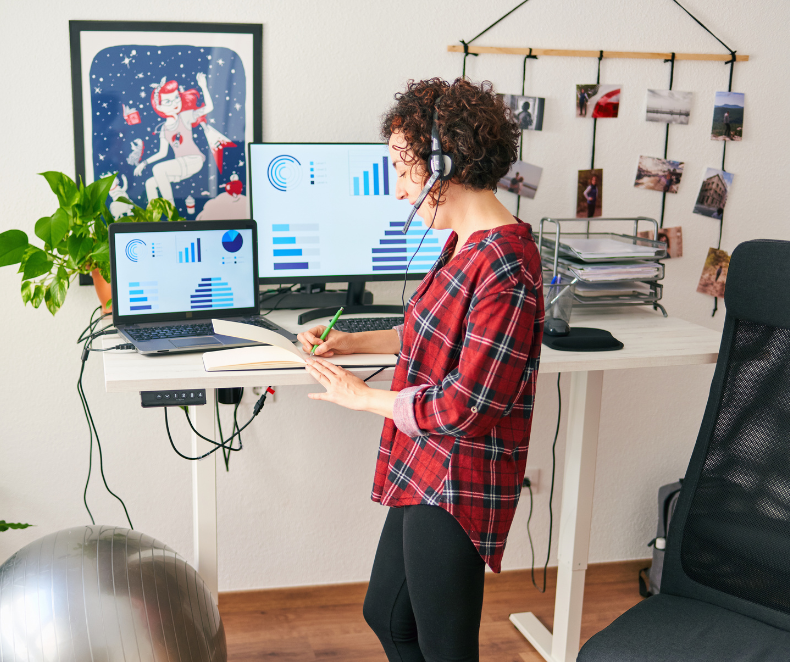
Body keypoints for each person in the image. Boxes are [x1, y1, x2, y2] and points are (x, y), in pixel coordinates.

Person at [296, 77, 544, 662]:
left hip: (460, 474)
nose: (400, 190)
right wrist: (351, 343)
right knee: (386, 614)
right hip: (425, 461)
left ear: (447, 163)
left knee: (442, 646)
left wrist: (363, 399)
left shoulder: (506, 264)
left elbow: (468, 404)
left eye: (406, 172)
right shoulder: (463, 242)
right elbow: (430, 330)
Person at [133, 74, 213, 204]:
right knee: (150, 183)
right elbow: (162, 153)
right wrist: (143, 163)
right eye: (168, 101)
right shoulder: (163, 129)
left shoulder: (185, 116)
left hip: (194, 160)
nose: (175, 103)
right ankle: (155, 217)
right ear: (158, 107)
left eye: (177, 98)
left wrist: (203, 86)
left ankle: (171, 212)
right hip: (181, 164)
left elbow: (209, 108)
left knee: (158, 169)